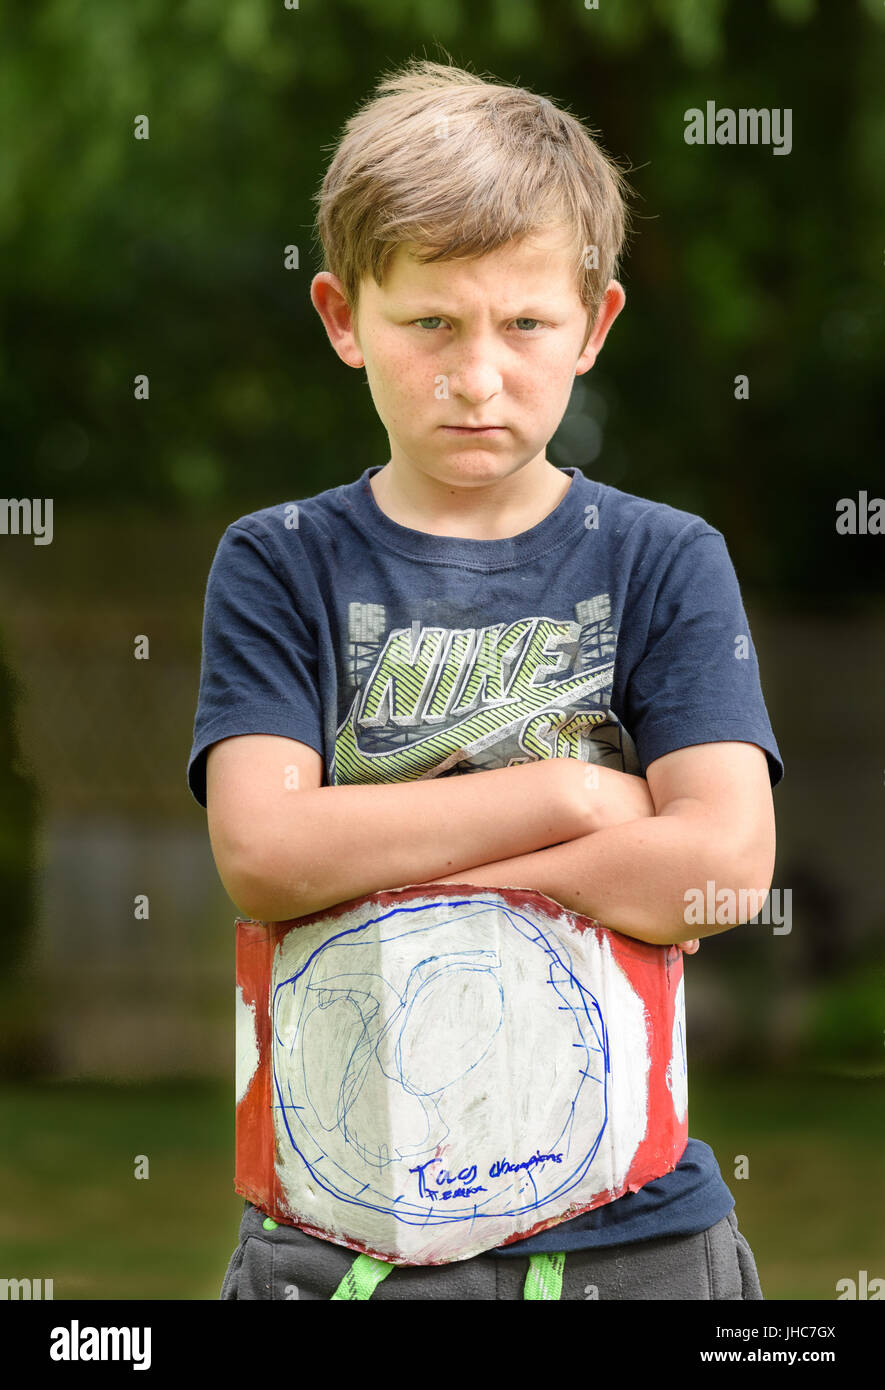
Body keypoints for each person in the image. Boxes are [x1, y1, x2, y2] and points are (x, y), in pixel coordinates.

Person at [187, 56, 783, 1300]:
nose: (478, 375)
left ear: (595, 324)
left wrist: (379, 866)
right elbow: (262, 856)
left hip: (639, 1234)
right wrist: (573, 805)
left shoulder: (663, 559)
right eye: (431, 324)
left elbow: (722, 875)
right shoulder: (280, 561)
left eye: (525, 323)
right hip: (344, 1238)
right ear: (345, 318)